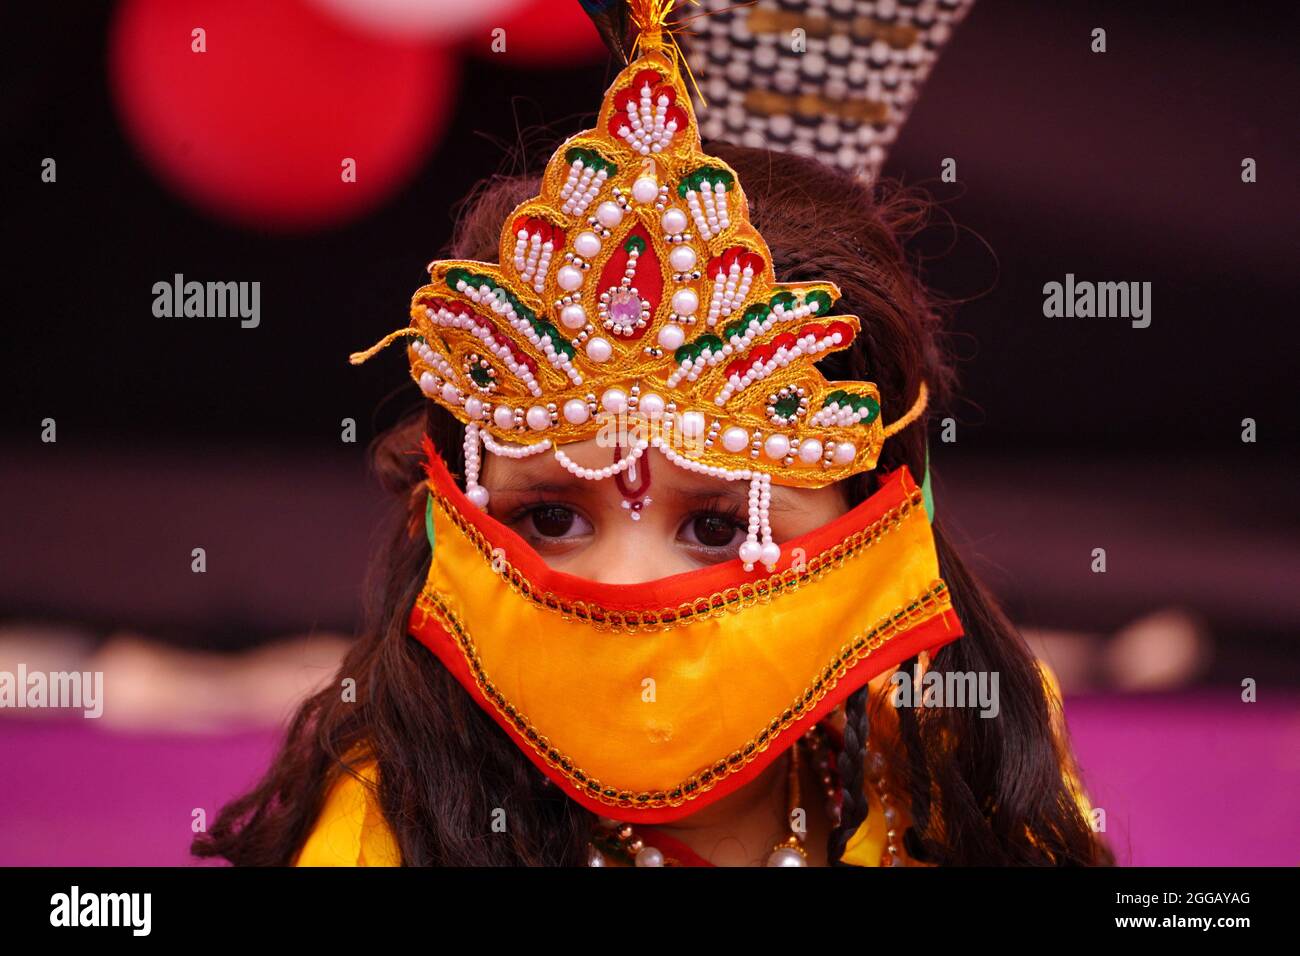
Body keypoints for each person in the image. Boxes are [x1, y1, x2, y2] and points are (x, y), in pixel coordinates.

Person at [192, 6, 1110, 868]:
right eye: (550, 516)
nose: (622, 590)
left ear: (883, 532)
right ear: (445, 522)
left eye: (720, 527)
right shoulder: (388, 831)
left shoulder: (952, 789)